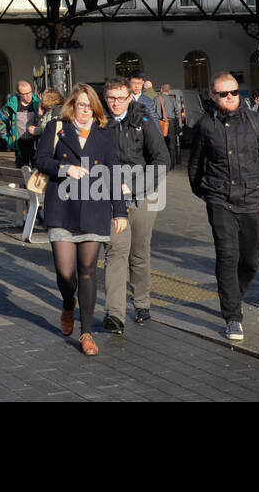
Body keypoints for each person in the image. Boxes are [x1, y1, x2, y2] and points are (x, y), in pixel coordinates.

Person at [188, 71, 259, 342]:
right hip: (220, 200)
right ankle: (232, 316)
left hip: (254, 200)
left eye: (234, 92)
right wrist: (204, 192)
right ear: (212, 95)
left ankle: (233, 296)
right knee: (228, 256)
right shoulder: (206, 125)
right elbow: (195, 164)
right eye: (223, 93)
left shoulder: (257, 122)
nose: (230, 97)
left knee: (251, 259)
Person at [32, 83, 127, 357]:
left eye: (89, 106)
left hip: (95, 210)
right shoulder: (57, 128)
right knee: (65, 273)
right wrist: (64, 168)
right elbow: (40, 160)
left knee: (87, 270)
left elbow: (113, 174)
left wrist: (119, 211)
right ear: (71, 105)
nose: (84, 110)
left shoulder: (103, 134)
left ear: (95, 108)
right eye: (80, 105)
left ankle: (86, 333)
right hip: (62, 208)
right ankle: (67, 302)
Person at [99, 78, 168, 334]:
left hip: (142, 195)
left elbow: (162, 159)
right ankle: (114, 314)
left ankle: (141, 303)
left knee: (139, 252)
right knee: (115, 252)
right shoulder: (100, 123)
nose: (115, 103)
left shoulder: (144, 121)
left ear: (130, 97)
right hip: (110, 196)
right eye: (110, 98)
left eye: (120, 97)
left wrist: (135, 187)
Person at [0, 81, 42, 168]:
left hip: (36, 144)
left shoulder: (37, 103)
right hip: (19, 144)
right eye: (25, 94)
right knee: (22, 173)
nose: (29, 96)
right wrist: (7, 137)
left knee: (38, 173)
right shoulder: (12, 106)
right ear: (18, 94)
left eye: (30, 92)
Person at [156, 83, 180, 167]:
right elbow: (177, 113)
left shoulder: (157, 98)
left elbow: (155, 113)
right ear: (169, 91)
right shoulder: (172, 99)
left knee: (161, 144)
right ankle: (171, 164)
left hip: (160, 123)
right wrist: (178, 124)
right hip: (171, 122)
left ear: (161, 90)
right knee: (172, 143)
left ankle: (162, 163)